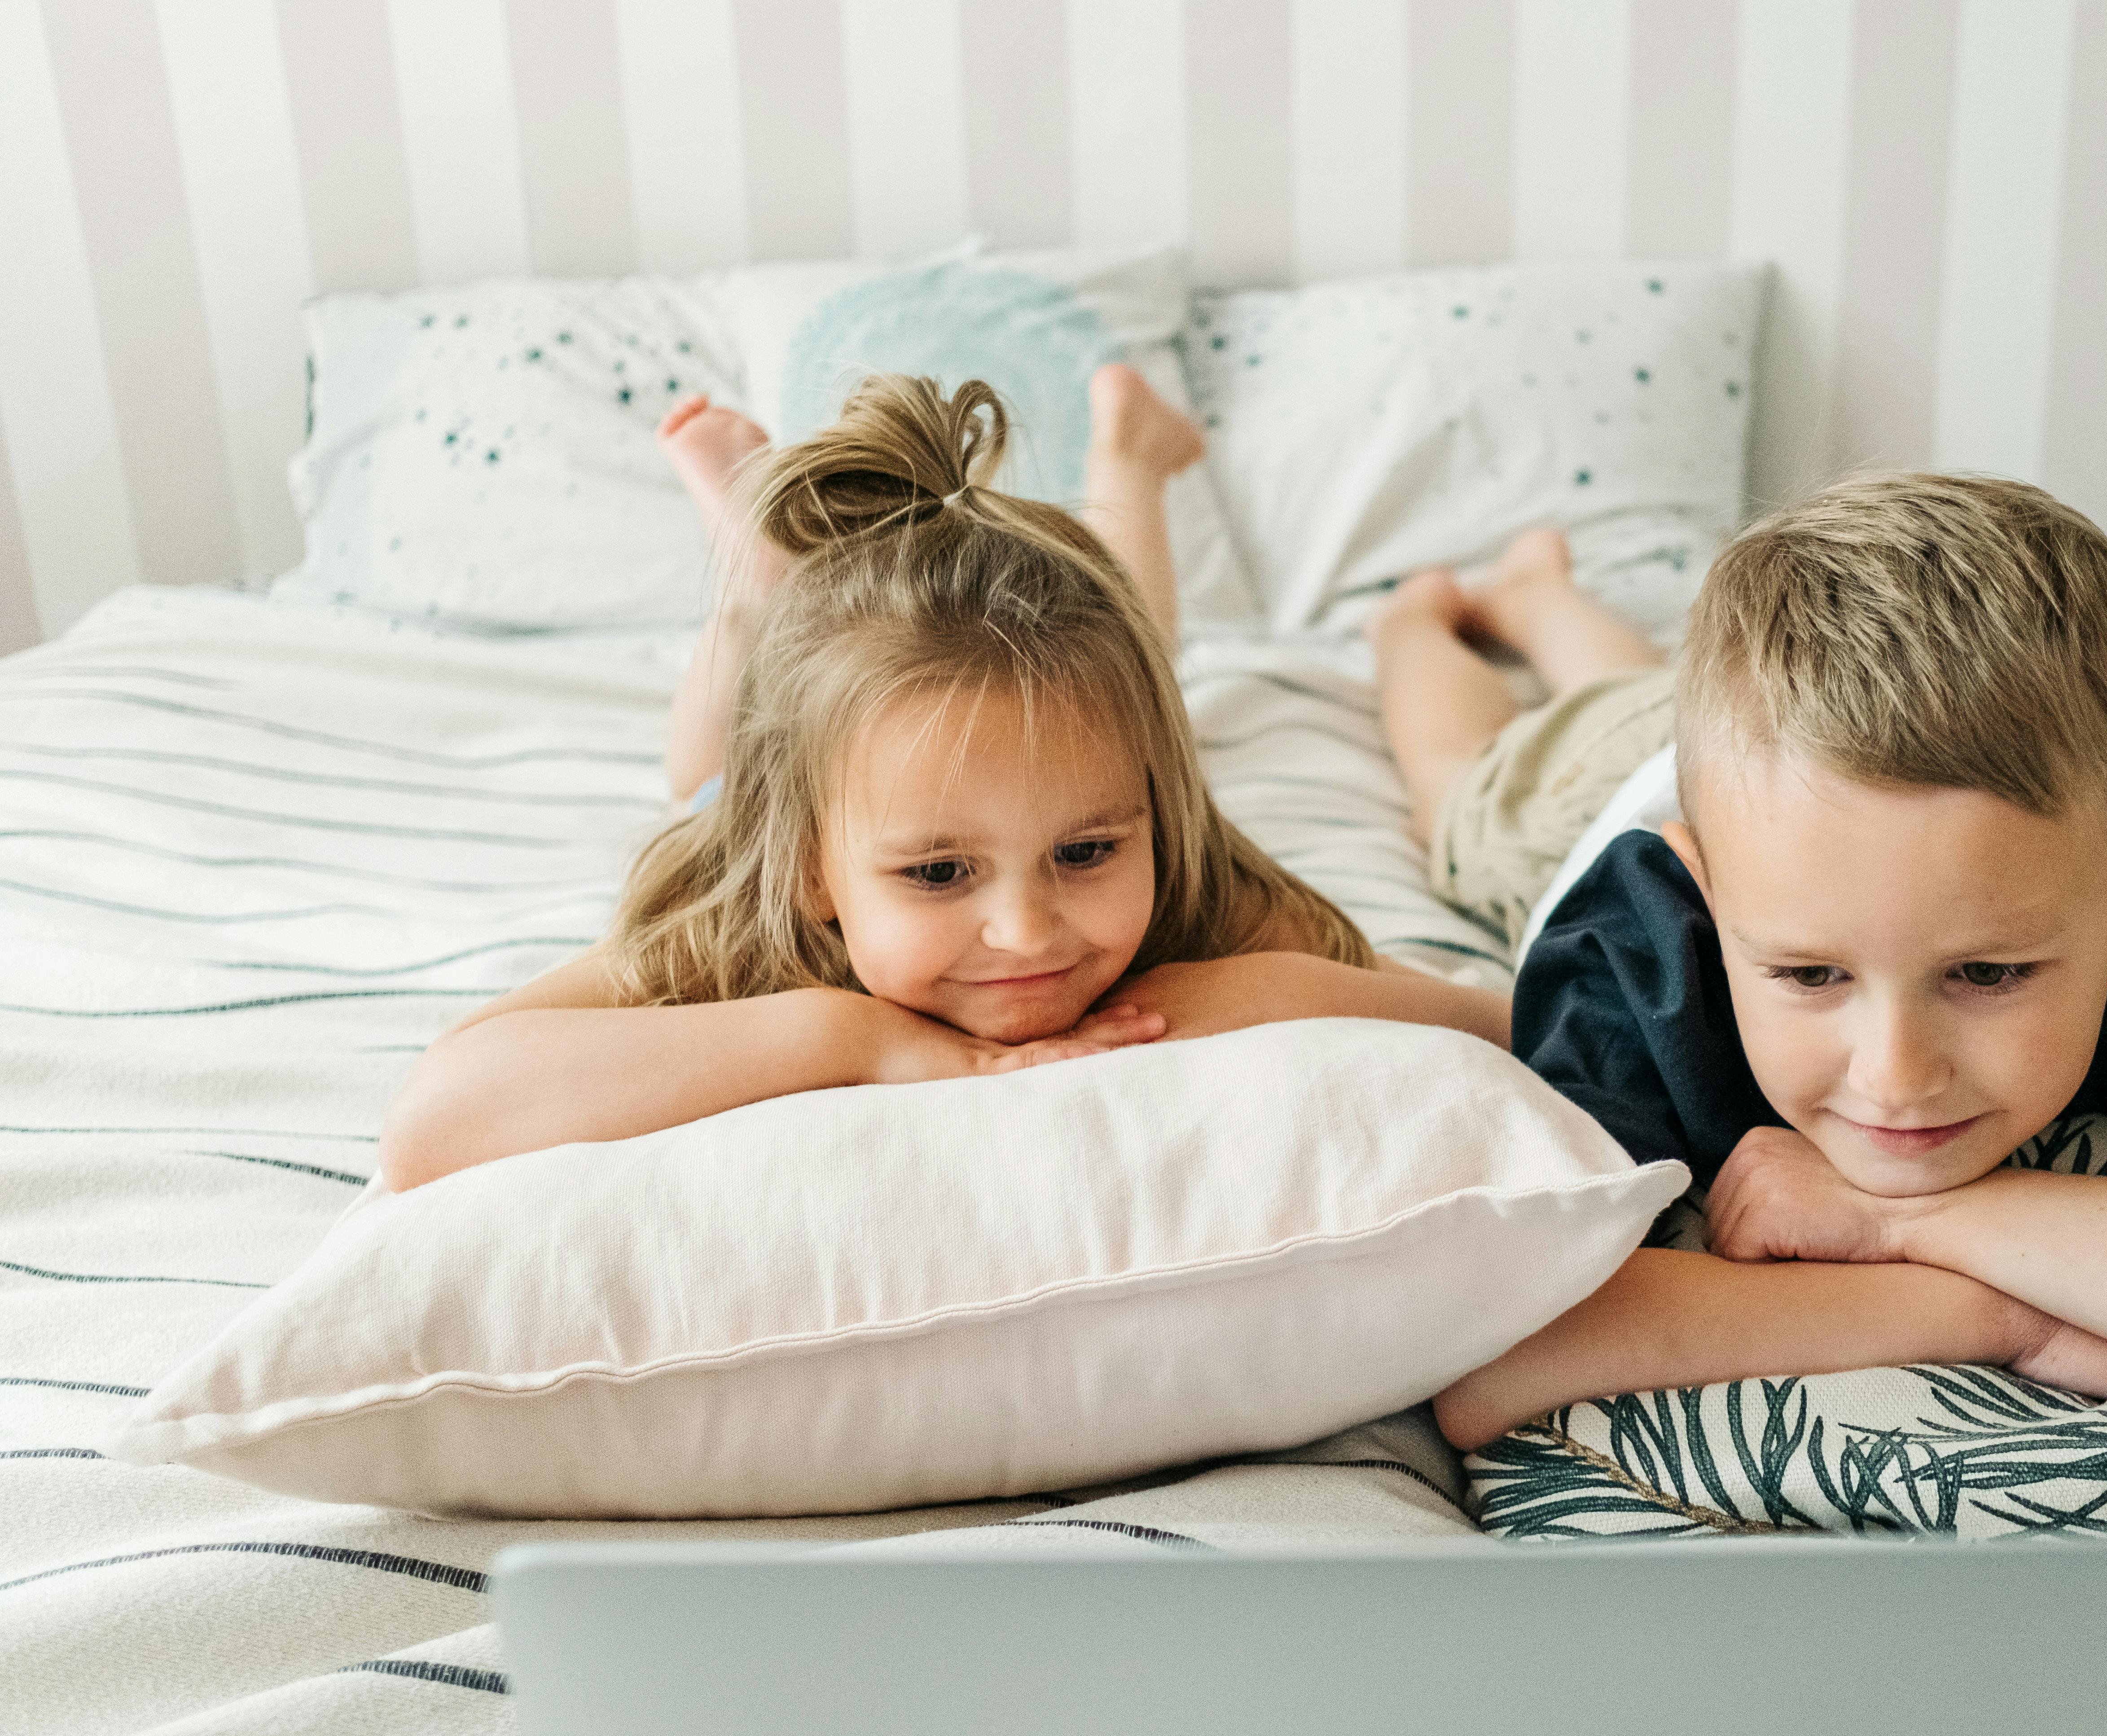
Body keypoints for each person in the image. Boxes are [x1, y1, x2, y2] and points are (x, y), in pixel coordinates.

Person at [1366, 478, 2107, 1450]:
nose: (1898, 1077)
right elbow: (1502, 1351)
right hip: (1602, 796)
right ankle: (1422, 624)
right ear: (1716, 910)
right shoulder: (1642, 947)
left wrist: (1896, 1224)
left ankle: (1543, 594)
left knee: (1628, 693)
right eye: (1810, 977)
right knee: (1469, 776)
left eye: (1989, 975)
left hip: (1765, 796)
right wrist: (2011, 1322)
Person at [378, 371, 1506, 1192]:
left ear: (1155, 815)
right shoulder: (742, 931)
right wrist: (852, 1039)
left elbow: (1489, 1022)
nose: (1026, 930)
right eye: (937, 871)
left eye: (1087, 850)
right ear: (815, 871)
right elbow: (434, 1121)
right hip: (746, 804)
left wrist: (1231, 998)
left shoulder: (1202, 903)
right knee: (705, 766)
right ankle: (750, 576)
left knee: (1127, 660)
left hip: (992, 744)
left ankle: (1134, 461)